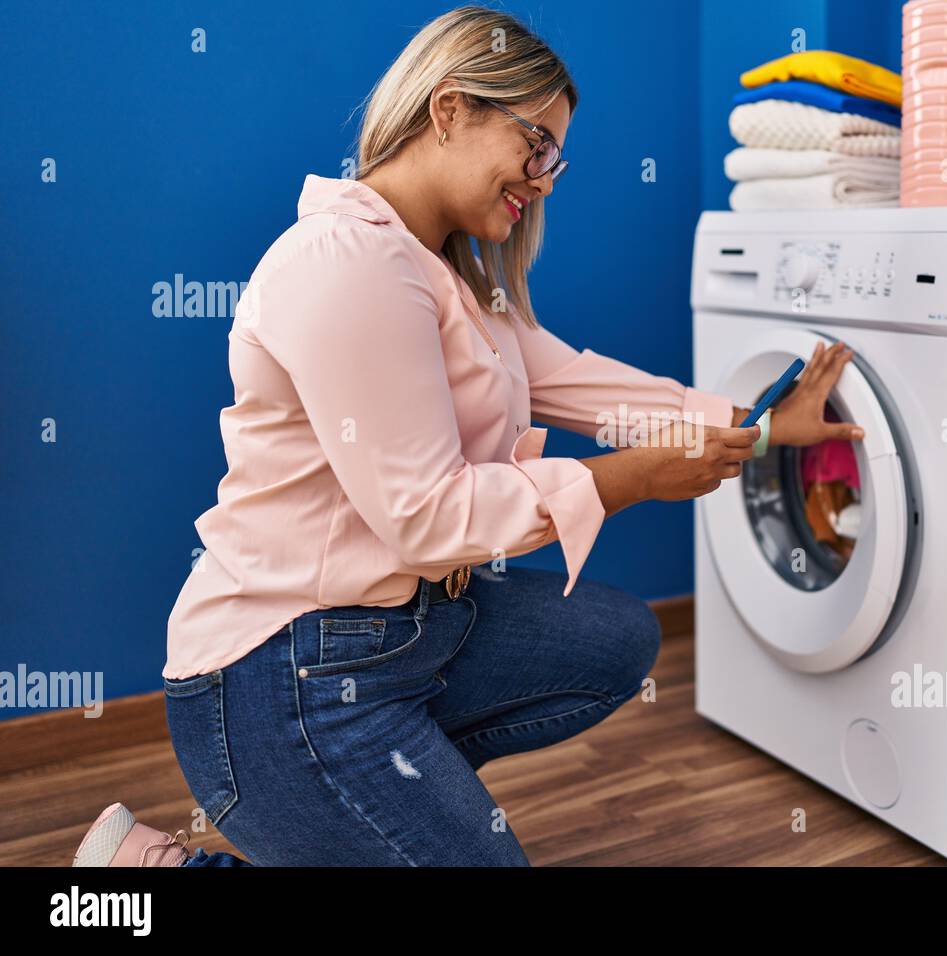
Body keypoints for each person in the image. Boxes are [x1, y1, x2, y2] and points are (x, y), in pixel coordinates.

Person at [72, 5, 862, 867]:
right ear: (450, 109)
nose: (546, 176)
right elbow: (426, 517)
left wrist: (757, 427)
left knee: (618, 641)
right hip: (279, 671)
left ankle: (371, 811)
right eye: (537, 144)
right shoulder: (346, 264)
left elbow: (591, 386)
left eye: (557, 155)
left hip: (402, 632)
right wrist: (626, 480)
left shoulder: (445, 274)